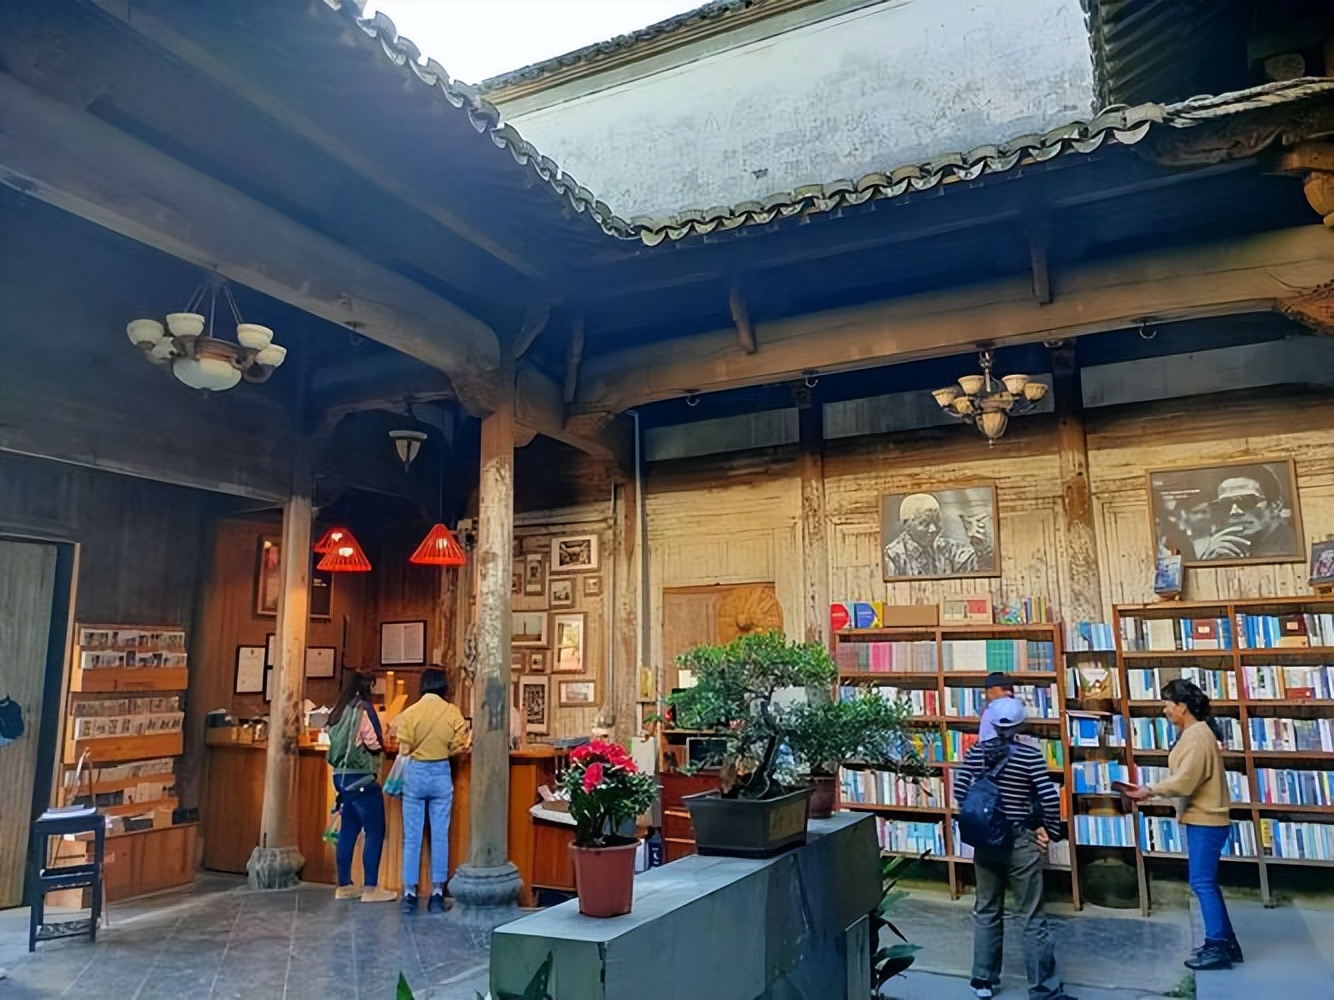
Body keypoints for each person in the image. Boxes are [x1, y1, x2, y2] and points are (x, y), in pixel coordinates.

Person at [954, 698, 1075, 1000]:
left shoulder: (975, 753)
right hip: (1021, 840)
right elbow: (1048, 797)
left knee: (986, 909)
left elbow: (959, 792)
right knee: (1031, 914)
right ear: (1021, 726)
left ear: (992, 723)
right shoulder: (1029, 756)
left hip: (985, 842)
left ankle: (982, 981)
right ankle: (1043, 988)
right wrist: (1051, 830)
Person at [1125, 680, 1241, 970]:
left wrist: (1149, 790)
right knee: (1205, 882)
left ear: (1182, 707)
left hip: (1207, 819)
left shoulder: (1196, 737)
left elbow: (1186, 780)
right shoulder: (1195, 733)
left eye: (1168, 704)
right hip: (1203, 816)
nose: (1165, 710)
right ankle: (1225, 942)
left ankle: (1218, 946)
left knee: (1202, 882)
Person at [392, 667, 469, 914]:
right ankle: (437, 893)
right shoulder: (452, 713)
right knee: (440, 835)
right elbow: (458, 746)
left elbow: (403, 748)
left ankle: (410, 894)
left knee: (412, 837)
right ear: (444, 686)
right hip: (440, 775)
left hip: (415, 774)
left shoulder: (411, 713)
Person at [325, 671, 395, 903]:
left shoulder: (338, 710)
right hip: (362, 778)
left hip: (341, 778)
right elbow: (373, 742)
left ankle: (344, 885)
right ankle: (371, 888)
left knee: (348, 831)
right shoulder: (363, 709)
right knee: (375, 830)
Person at [884, 493, 991, 577]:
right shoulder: (892, 557)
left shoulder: (949, 549)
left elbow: (978, 572)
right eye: (924, 523)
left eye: (937, 521)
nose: (933, 529)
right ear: (906, 525)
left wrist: (982, 549)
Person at [1194, 473, 1296, 561]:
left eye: (1247, 502)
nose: (1234, 512)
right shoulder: (1214, 546)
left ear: (1275, 504)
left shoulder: (1293, 543)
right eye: (1225, 505)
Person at [976, 673, 1015, 742]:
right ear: (989, 692)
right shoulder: (989, 714)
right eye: (1004, 689)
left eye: (1010, 689)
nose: (1009, 693)